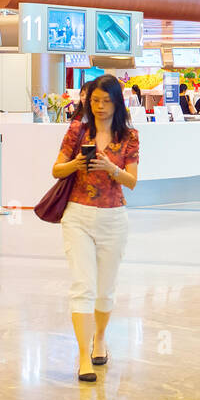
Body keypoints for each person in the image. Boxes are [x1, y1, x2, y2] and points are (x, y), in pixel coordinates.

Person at [51, 74, 140, 384]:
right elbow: (56, 170)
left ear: (117, 102)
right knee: (82, 287)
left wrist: (110, 168)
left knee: (105, 290)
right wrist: (78, 163)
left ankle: (99, 338)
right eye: (94, 101)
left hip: (114, 217)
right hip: (77, 215)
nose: (100, 107)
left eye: (106, 100)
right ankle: (82, 357)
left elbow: (131, 180)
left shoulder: (129, 136)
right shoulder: (77, 130)